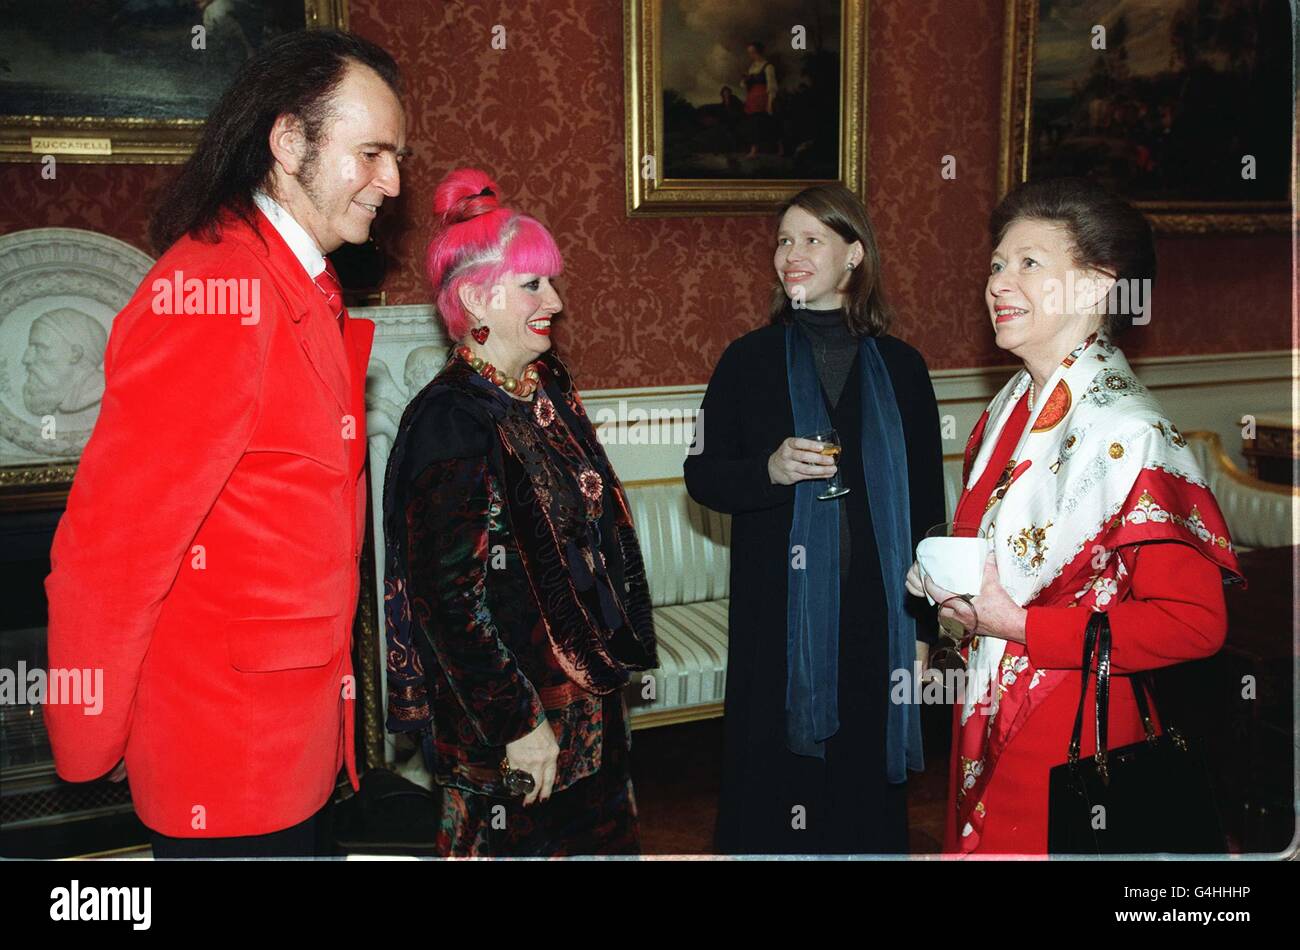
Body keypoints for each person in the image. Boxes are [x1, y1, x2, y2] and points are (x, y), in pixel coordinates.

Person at [43, 29, 407, 858]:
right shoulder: (215, 289)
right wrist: (88, 731)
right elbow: (115, 547)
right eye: (373, 153)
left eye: (396, 157)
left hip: (290, 750)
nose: (392, 181)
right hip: (229, 765)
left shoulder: (295, 282)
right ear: (288, 142)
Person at [905, 177, 1242, 854]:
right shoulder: (1009, 409)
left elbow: (1196, 624)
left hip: (1069, 733)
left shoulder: (1131, 434)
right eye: (997, 264)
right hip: (984, 710)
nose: (999, 282)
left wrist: (1021, 624)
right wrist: (942, 588)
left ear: (1094, 288)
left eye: (1029, 263)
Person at [382, 168, 658, 856]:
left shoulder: (545, 389)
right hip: (513, 732)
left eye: (551, 282)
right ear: (476, 295)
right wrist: (518, 725)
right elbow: (446, 603)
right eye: (534, 284)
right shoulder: (449, 421)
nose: (556, 300)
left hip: (589, 709)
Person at [684, 183, 945, 854]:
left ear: (854, 255)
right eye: (783, 240)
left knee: (862, 782)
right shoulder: (748, 361)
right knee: (778, 774)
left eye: (811, 240)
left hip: (876, 617)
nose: (790, 254)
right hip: (780, 613)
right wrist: (768, 471)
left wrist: (920, 636)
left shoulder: (905, 368)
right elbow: (702, 475)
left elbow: (927, 516)